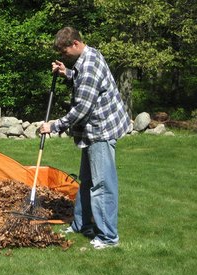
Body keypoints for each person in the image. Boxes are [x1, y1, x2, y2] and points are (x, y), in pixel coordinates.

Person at [40, 27, 130, 249]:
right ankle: (82, 225)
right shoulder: (89, 55)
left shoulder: (88, 66)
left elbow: (81, 109)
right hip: (92, 131)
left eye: (64, 52)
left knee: (102, 185)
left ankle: (108, 237)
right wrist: (67, 73)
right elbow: (84, 81)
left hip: (100, 131)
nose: (63, 56)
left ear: (76, 44)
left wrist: (54, 125)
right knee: (87, 181)